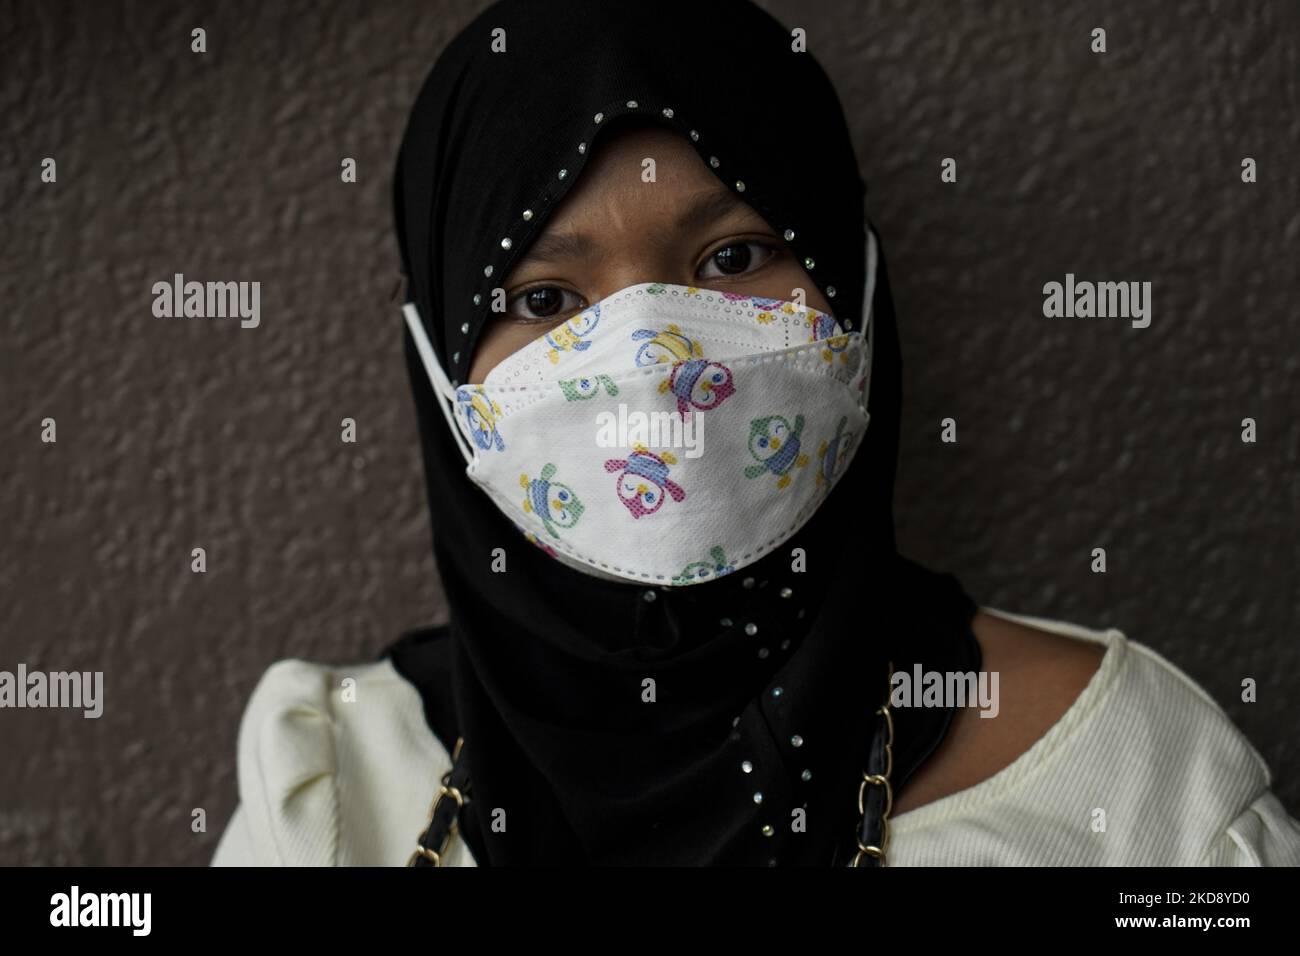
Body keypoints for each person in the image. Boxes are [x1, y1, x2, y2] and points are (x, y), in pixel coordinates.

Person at [211, 0, 1300, 867]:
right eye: (543, 300)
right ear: (438, 367)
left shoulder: (1129, 778)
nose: (653, 361)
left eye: (732, 260)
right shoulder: (333, 783)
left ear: (854, 292)